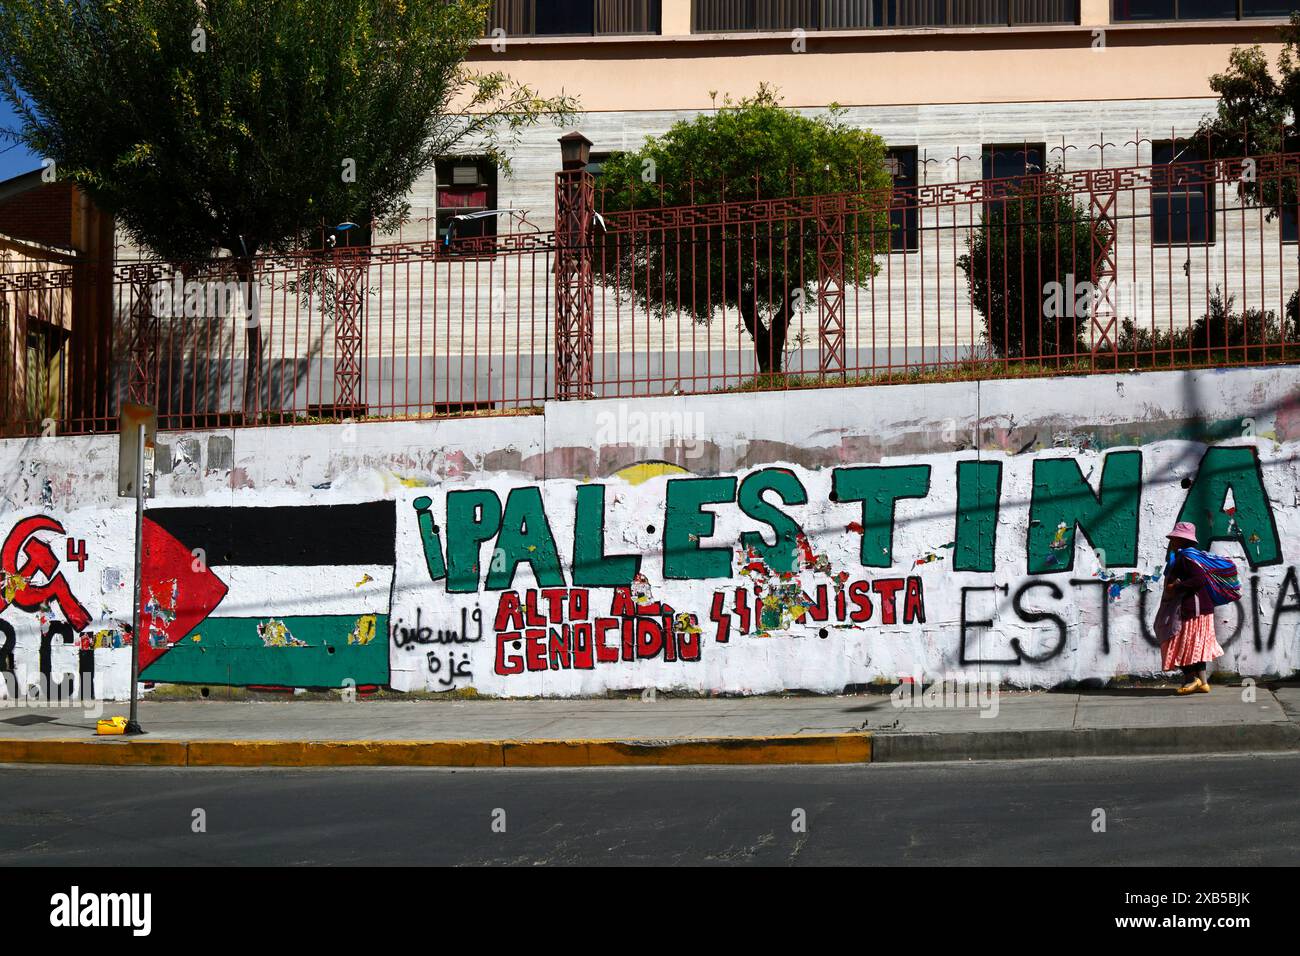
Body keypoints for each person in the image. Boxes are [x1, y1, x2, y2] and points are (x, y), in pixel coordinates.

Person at [1158, 521, 1224, 695]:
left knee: (1180, 644)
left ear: (1181, 540)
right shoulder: (1193, 556)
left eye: (1174, 538)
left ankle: (1190, 680)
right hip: (1202, 610)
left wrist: (1175, 588)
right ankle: (1203, 682)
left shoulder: (1185, 558)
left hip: (1192, 610)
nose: (1171, 541)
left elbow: (1199, 579)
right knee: (1197, 646)